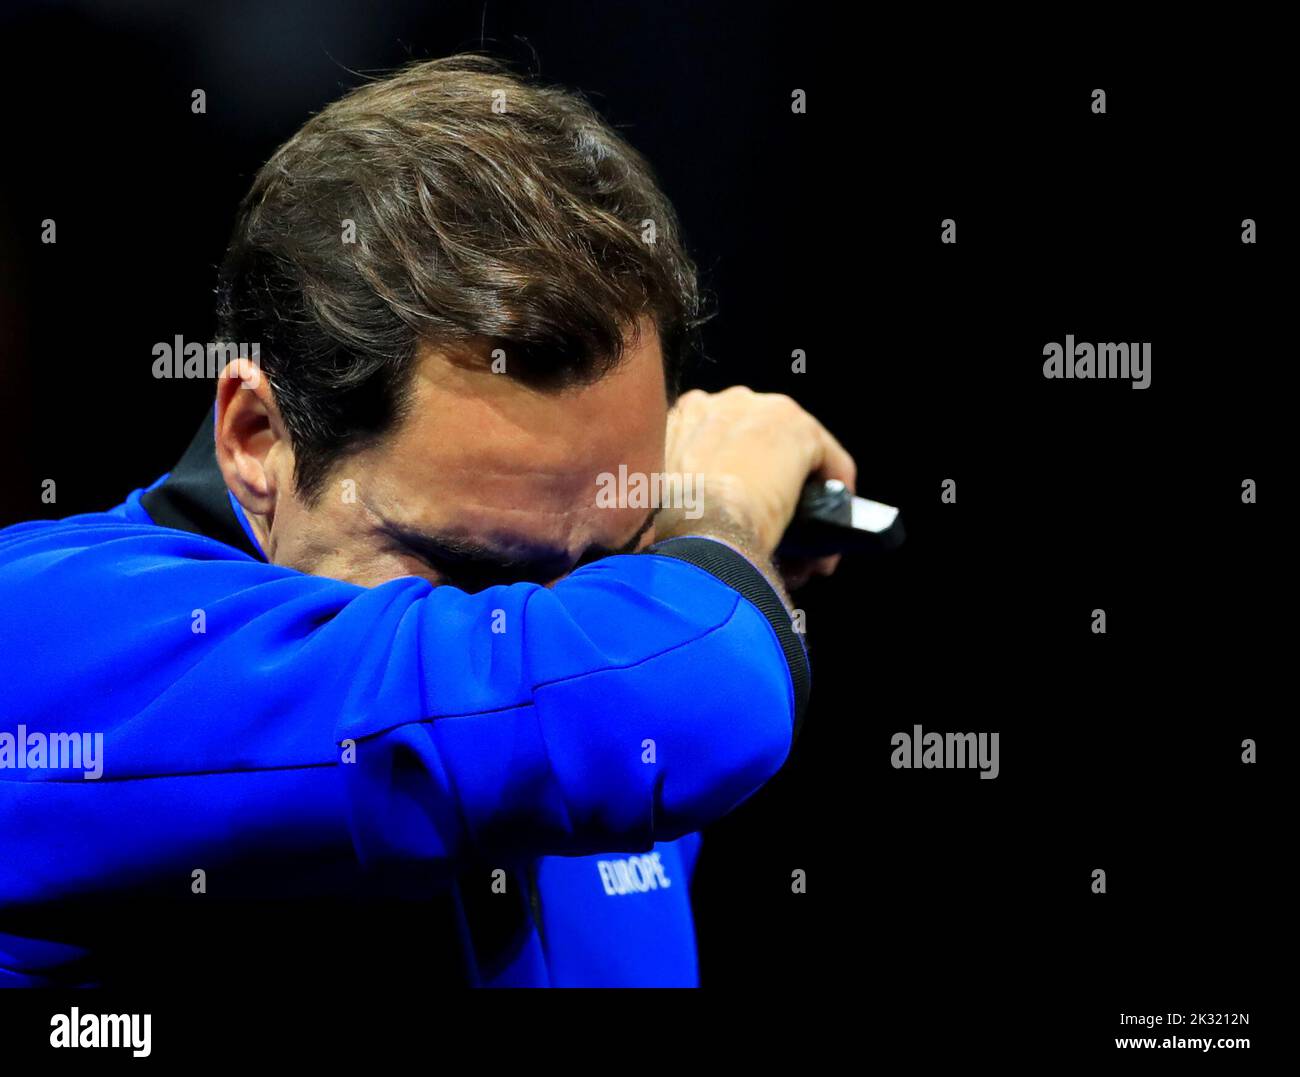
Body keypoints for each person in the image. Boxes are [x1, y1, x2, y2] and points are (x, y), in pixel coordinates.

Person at [0, 55, 853, 988]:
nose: (567, 617)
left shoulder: (601, 674)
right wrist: (723, 512)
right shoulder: (39, 637)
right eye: (468, 569)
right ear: (255, 436)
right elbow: (689, 692)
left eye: (617, 560)